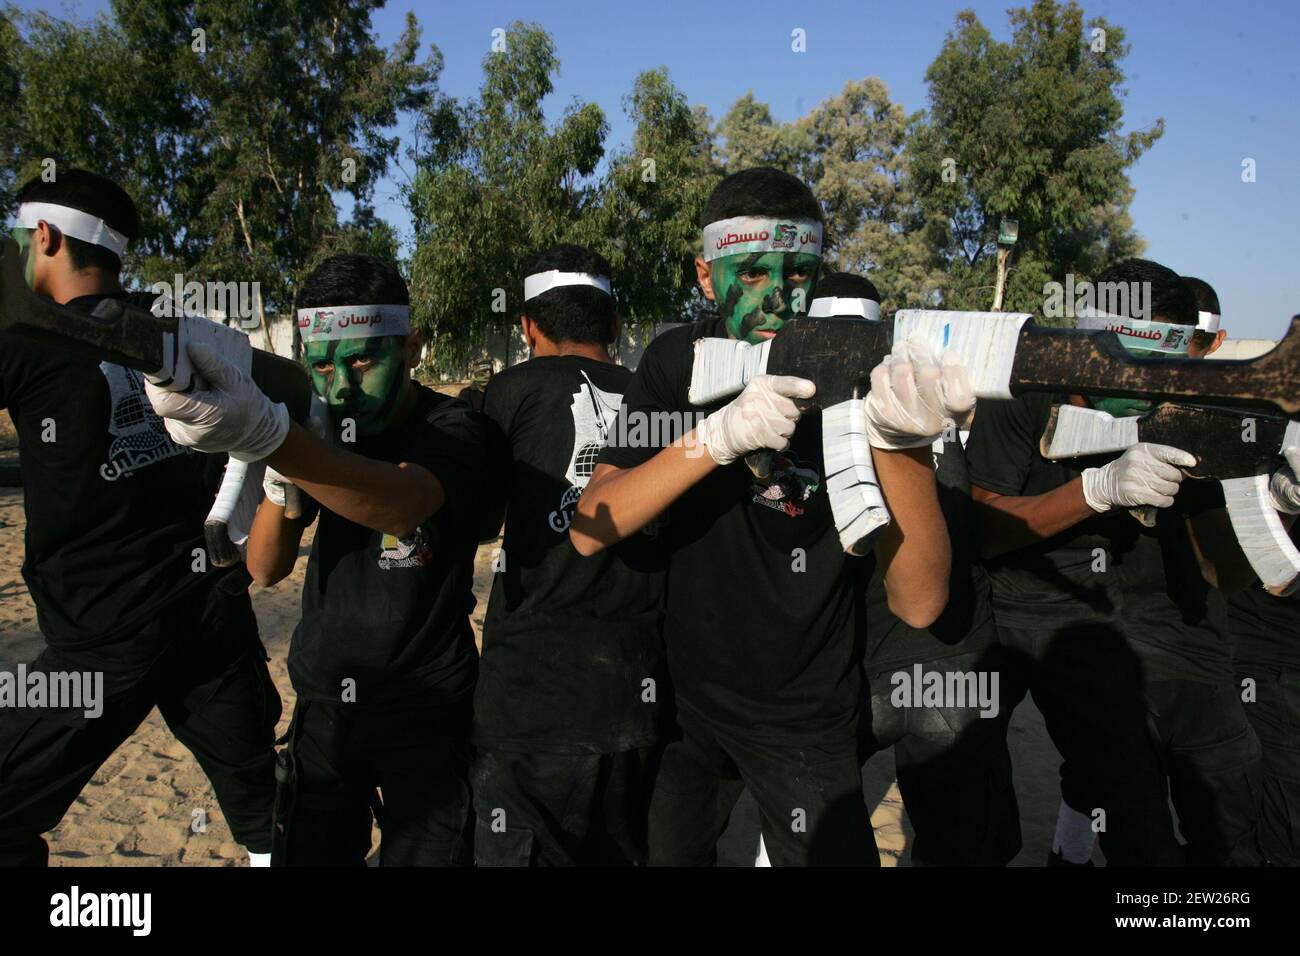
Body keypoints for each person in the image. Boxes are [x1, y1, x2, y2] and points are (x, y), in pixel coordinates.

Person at [571, 167, 973, 866]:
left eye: (797, 274)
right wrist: (715, 437)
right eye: (749, 273)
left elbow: (920, 600)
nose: (776, 298)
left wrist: (904, 441)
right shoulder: (680, 360)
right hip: (685, 703)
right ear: (705, 275)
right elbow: (591, 524)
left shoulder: (854, 375)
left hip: (806, 714)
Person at [150, 253, 506, 865]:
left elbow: (402, 506)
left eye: (361, 359)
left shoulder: (452, 428)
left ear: (413, 345)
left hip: (426, 708)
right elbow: (264, 568)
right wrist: (282, 486)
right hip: (325, 704)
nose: (340, 384)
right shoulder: (318, 427)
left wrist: (282, 446)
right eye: (321, 364)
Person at [0, 168, 280, 867]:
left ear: (44, 237)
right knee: (267, 812)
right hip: (209, 613)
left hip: (100, 636)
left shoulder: (28, 335)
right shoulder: (175, 324)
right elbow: (276, 400)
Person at [967, 258, 1265, 865]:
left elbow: (1226, 573)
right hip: (1003, 609)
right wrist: (1095, 491)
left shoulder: (1176, 405)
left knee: (1162, 822)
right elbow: (982, 529)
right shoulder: (1025, 390)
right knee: (967, 807)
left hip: (1107, 622)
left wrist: (1264, 497)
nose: (1149, 386)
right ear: (1087, 346)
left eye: (1165, 369)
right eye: (1133, 363)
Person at [807, 273, 1019, 867]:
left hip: (882, 654)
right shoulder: (924, 401)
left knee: (808, 829)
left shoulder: (815, 409)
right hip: (941, 656)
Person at [471, 243, 666, 866]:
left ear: (528, 327)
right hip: (640, 691)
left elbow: (476, 521)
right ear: (613, 323)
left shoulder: (512, 391)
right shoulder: (656, 396)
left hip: (533, 696)